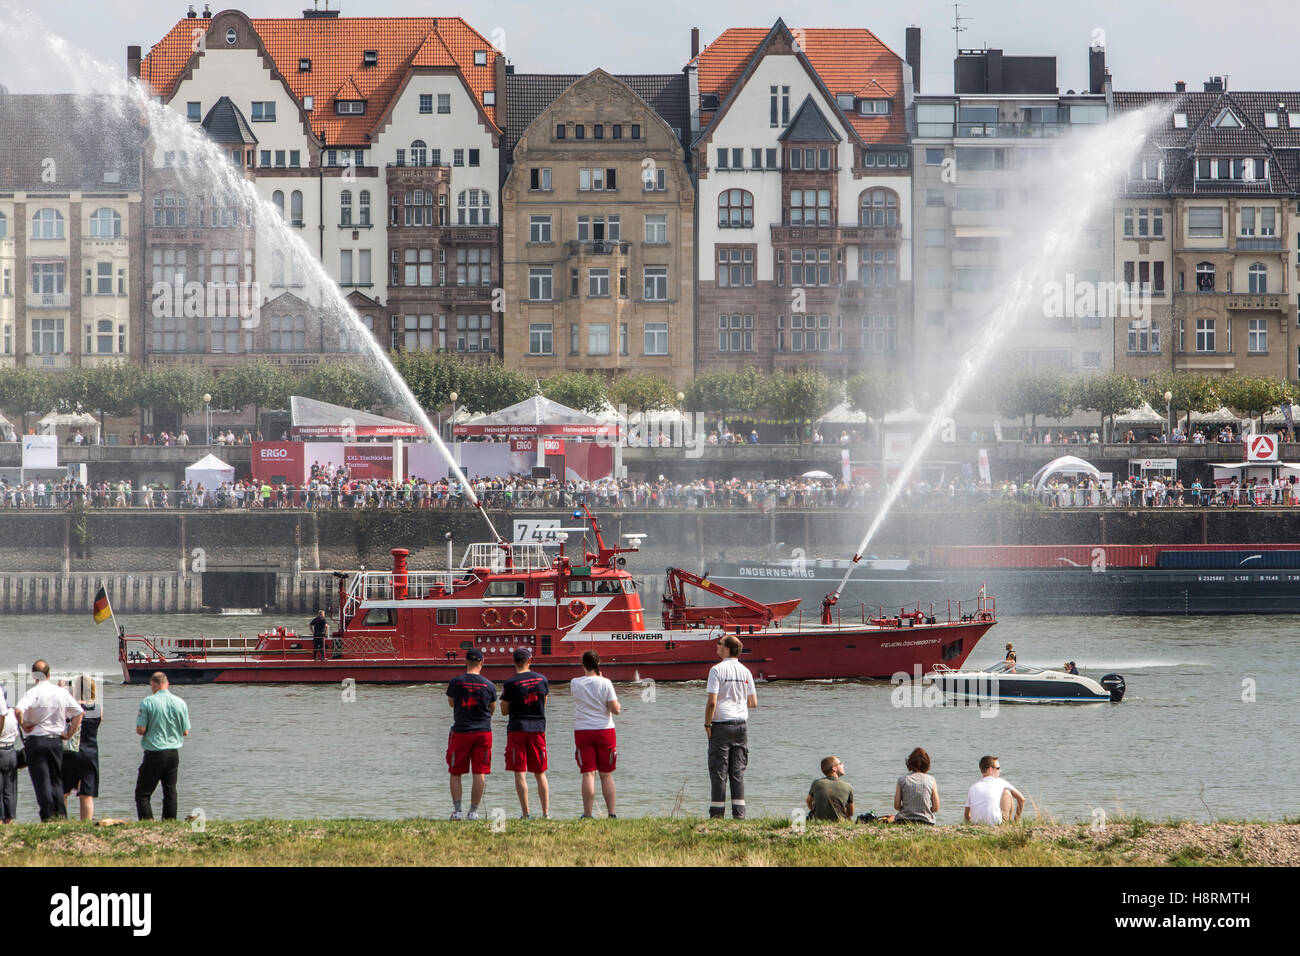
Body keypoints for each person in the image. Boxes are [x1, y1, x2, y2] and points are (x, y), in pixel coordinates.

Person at [13, 661, 83, 821]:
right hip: (55, 741)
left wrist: (24, 724)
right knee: (56, 779)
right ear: (49, 674)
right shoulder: (60, 692)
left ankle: (47, 815)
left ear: (33, 676)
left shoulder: (32, 693)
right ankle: (61, 815)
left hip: (36, 741)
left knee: (41, 780)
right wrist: (69, 734)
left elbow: (18, 710)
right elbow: (79, 713)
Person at [705, 634, 757, 819]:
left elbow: (712, 702)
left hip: (721, 725)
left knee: (719, 771)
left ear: (727, 649)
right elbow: (753, 702)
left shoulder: (716, 670)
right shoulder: (746, 671)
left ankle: (717, 814)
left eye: (719, 644)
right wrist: (738, 704)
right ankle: (739, 815)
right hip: (741, 726)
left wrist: (707, 723)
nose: (716, 647)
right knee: (737, 772)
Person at [446, 649, 496, 820]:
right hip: (483, 732)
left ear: (465, 662)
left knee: (455, 772)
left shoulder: (456, 682)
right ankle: (473, 812)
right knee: (479, 772)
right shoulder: (489, 685)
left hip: (461, 731)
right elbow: (492, 708)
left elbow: (451, 703)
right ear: (482, 663)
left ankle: (458, 811)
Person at [500, 647, 549, 819]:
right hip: (537, 728)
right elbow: (544, 703)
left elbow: (504, 711)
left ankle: (526, 814)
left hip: (517, 728)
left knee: (520, 772)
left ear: (514, 662)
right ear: (530, 660)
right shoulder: (542, 680)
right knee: (540, 773)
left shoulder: (510, 683)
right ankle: (545, 813)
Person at [135, 672, 191, 820]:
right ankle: (170, 821)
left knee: (142, 793)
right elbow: (185, 731)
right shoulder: (180, 702)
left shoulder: (148, 702)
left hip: (154, 751)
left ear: (153, 684)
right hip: (173, 752)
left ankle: (147, 822)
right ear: (167, 684)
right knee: (170, 790)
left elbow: (141, 730)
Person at [571, 650, 620, 819]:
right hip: (605, 730)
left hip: (583, 730)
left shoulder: (575, 683)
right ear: (598, 664)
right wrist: (602, 678)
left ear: (583, 665)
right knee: (606, 774)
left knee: (588, 773)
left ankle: (587, 814)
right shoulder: (606, 683)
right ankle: (611, 813)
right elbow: (616, 710)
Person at [61, 674, 103, 821]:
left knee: (63, 792)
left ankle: (62, 822)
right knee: (86, 793)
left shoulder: (68, 708)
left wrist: (63, 691)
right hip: (89, 752)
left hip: (68, 752)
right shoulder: (98, 709)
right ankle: (85, 825)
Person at [964, 755, 1025, 825]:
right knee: (1007, 792)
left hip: (977, 824)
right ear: (990, 770)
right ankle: (1009, 824)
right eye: (998, 768)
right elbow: (1021, 799)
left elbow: (966, 815)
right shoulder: (1001, 782)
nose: (1000, 771)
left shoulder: (973, 787)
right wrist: (1016, 820)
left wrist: (973, 823)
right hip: (996, 823)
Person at [893, 747, 940, 825]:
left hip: (903, 820)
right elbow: (936, 807)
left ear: (910, 763)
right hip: (926, 821)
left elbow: (897, 806)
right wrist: (926, 811)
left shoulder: (902, 780)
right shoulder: (931, 780)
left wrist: (907, 809)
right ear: (927, 763)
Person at [806, 755, 854, 822]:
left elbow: (808, 801)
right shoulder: (848, 786)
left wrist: (813, 809)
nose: (843, 765)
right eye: (840, 764)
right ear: (834, 768)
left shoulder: (817, 783)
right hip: (839, 822)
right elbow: (851, 813)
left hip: (819, 821)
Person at [0, 680, 20, 823]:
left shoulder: (3, 716)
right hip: (11, 750)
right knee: (10, 790)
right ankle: (10, 819)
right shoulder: (13, 713)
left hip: (1, 750)